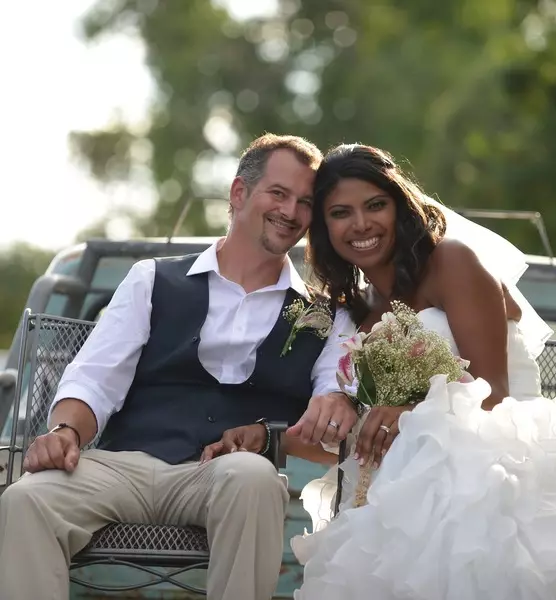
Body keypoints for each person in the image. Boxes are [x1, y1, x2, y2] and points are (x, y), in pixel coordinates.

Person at [0, 134, 360, 600]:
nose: (291, 212)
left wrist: (274, 430)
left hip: (223, 478)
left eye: (305, 202)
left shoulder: (329, 316)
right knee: (25, 499)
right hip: (125, 464)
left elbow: (329, 419)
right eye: (278, 193)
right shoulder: (152, 279)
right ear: (238, 194)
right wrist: (66, 431)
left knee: (254, 478)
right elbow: (95, 377)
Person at [292, 143, 556, 599]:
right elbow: (355, 431)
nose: (361, 224)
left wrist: (408, 412)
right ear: (324, 227)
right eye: (341, 212)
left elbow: (494, 393)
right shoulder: (355, 311)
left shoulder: (451, 262)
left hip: (497, 458)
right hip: (405, 481)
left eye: (376, 205)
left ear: (401, 207)